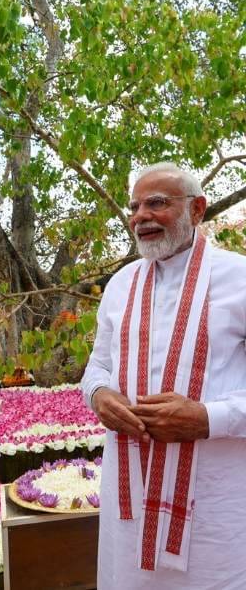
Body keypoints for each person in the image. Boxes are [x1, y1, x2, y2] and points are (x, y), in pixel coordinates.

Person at [80, 163, 246, 587]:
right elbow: (97, 365)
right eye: (134, 207)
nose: (140, 216)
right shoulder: (121, 284)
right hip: (129, 502)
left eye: (157, 203)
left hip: (216, 507)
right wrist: (100, 395)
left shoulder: (239, 278)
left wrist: (207, 418)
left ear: (197, 210)